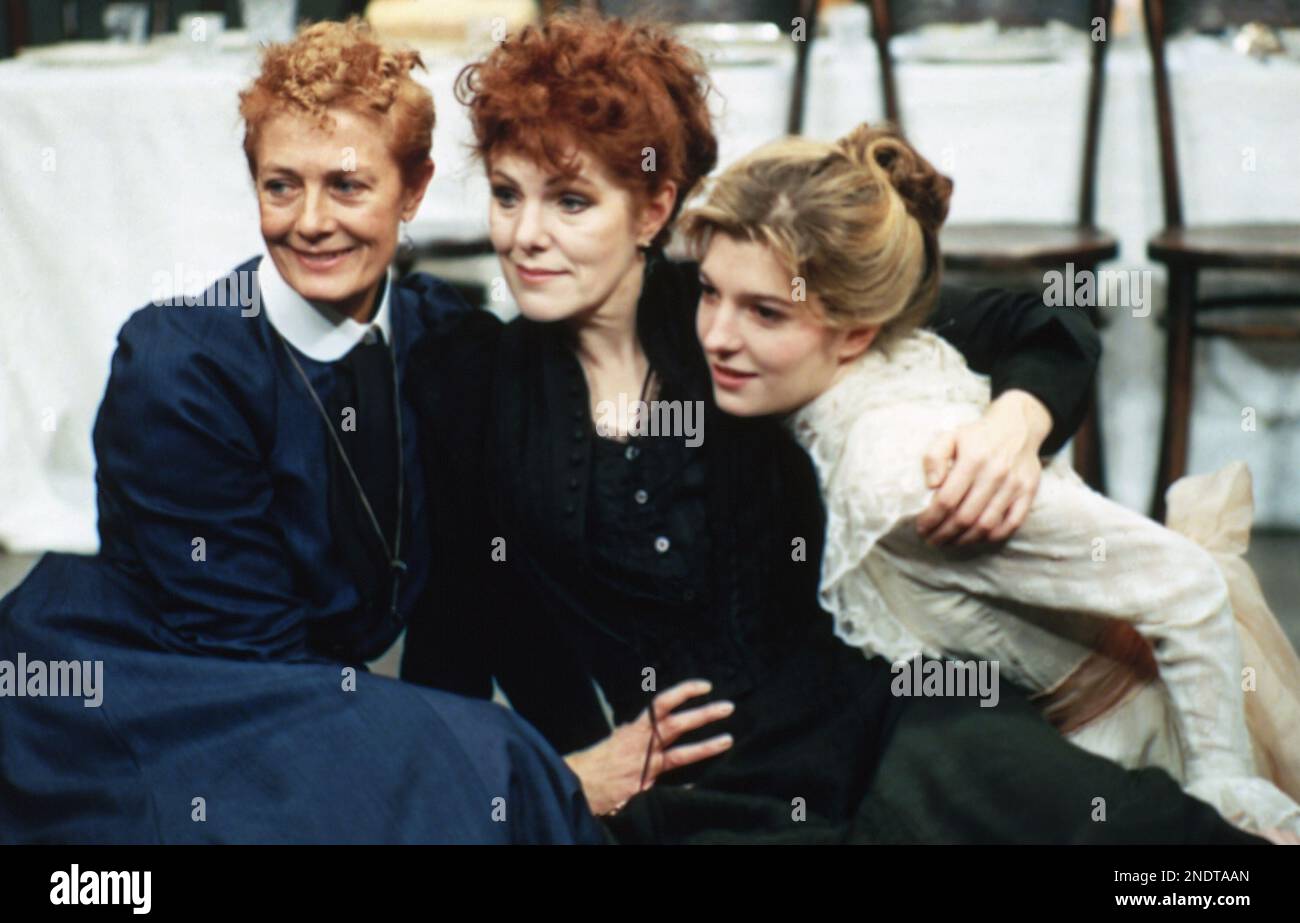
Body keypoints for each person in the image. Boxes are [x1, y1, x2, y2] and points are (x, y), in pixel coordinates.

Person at [401, 12, 1265, 843]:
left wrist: (1014, 422)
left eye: (571, 202)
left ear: (655, 207)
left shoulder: (740, 314)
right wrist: (559, 774)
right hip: (693, 796)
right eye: (508, 197)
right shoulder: (469, 385)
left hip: (881, 718)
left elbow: (1040, 323)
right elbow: (453, 642)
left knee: (1145, 846)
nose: (525, 236)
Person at [0, 19, 601, 844]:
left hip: (306, 697)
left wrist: (582, 750)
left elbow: (488, 586)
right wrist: (496, 762)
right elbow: (256, 668)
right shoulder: (180, 367)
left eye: (348, 187)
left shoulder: (450, 340)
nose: (310, 221)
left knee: (503, 775)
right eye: (282, 187)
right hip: (162, 694)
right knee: (489, 768)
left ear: (415, 189)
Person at [678, 123, 1300, 840]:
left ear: (854, 331)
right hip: (1012, 733)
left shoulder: (903, 473)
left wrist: (1221, 794)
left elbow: (1186, 584)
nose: (717, 336)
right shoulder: (863, 381)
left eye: (764, 312)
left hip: (1123, 752)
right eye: (708, 293)